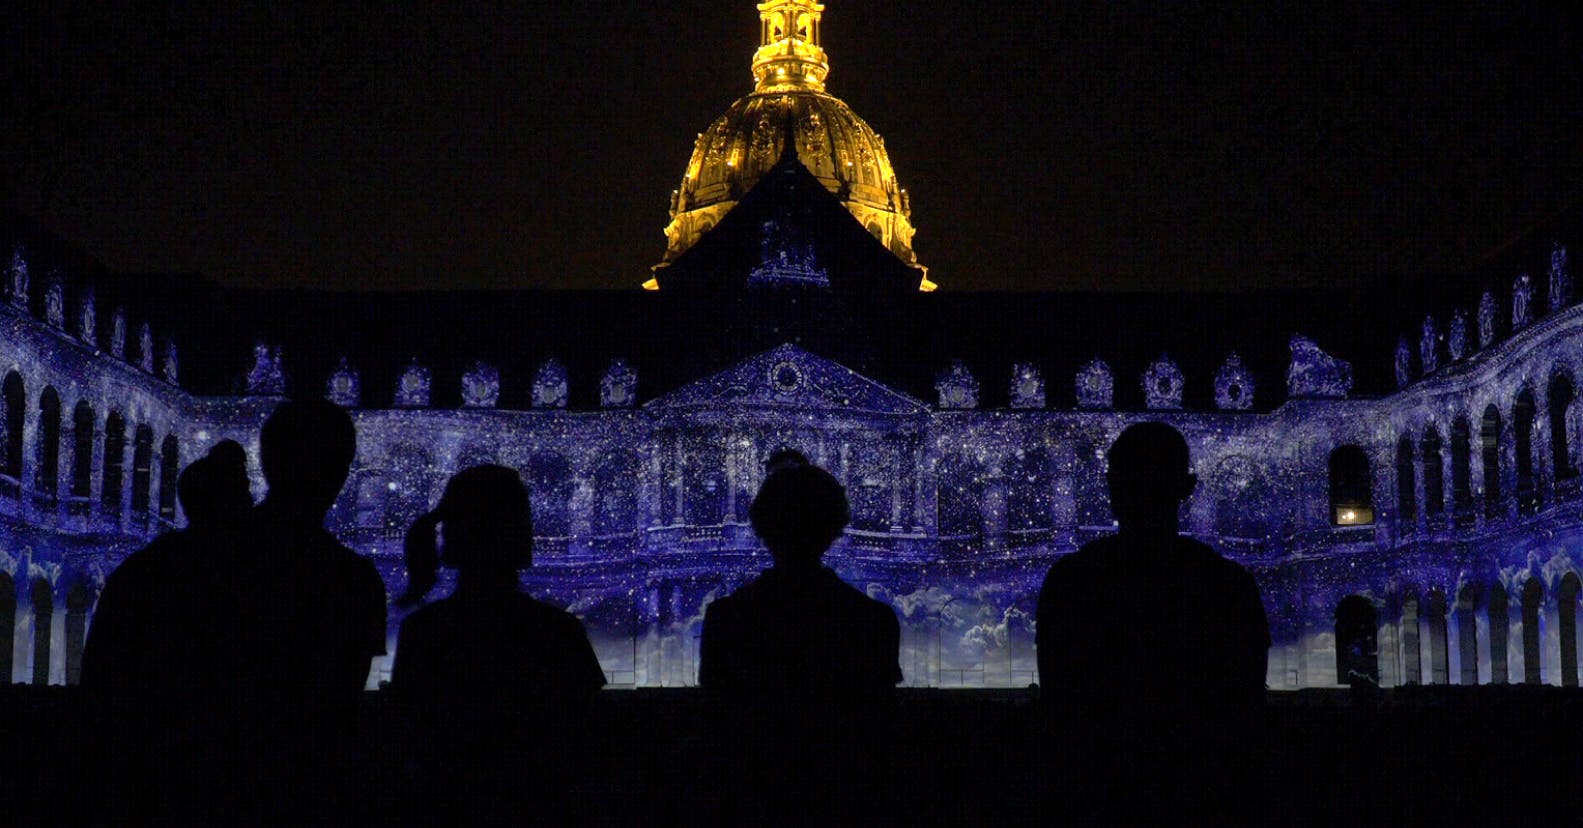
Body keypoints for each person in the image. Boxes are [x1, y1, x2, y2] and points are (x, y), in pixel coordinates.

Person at [84, 399, 388, 824]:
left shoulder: (163, 564)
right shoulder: (352, 584)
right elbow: (331, 730)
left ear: (266, 461)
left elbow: (100, 697)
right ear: (343, 472)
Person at [1036, 422, 1270, 821]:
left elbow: (1061, 716)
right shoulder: (1228, 587)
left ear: (1111, 489)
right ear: (1188, 487)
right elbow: (1244, 719)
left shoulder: (1071, 582)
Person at [392, 464, 605, 823]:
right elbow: (584, 750)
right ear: (521, 534)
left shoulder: (423, 631)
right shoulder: (558, 632)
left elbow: (409, 745)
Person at [699, 462, 902, 820]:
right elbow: (880, 734)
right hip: (845, 801)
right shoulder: (873, 620)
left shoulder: (726, 618)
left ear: (762, 528)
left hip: (751, 802)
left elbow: (717, 726)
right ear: (835, 529)